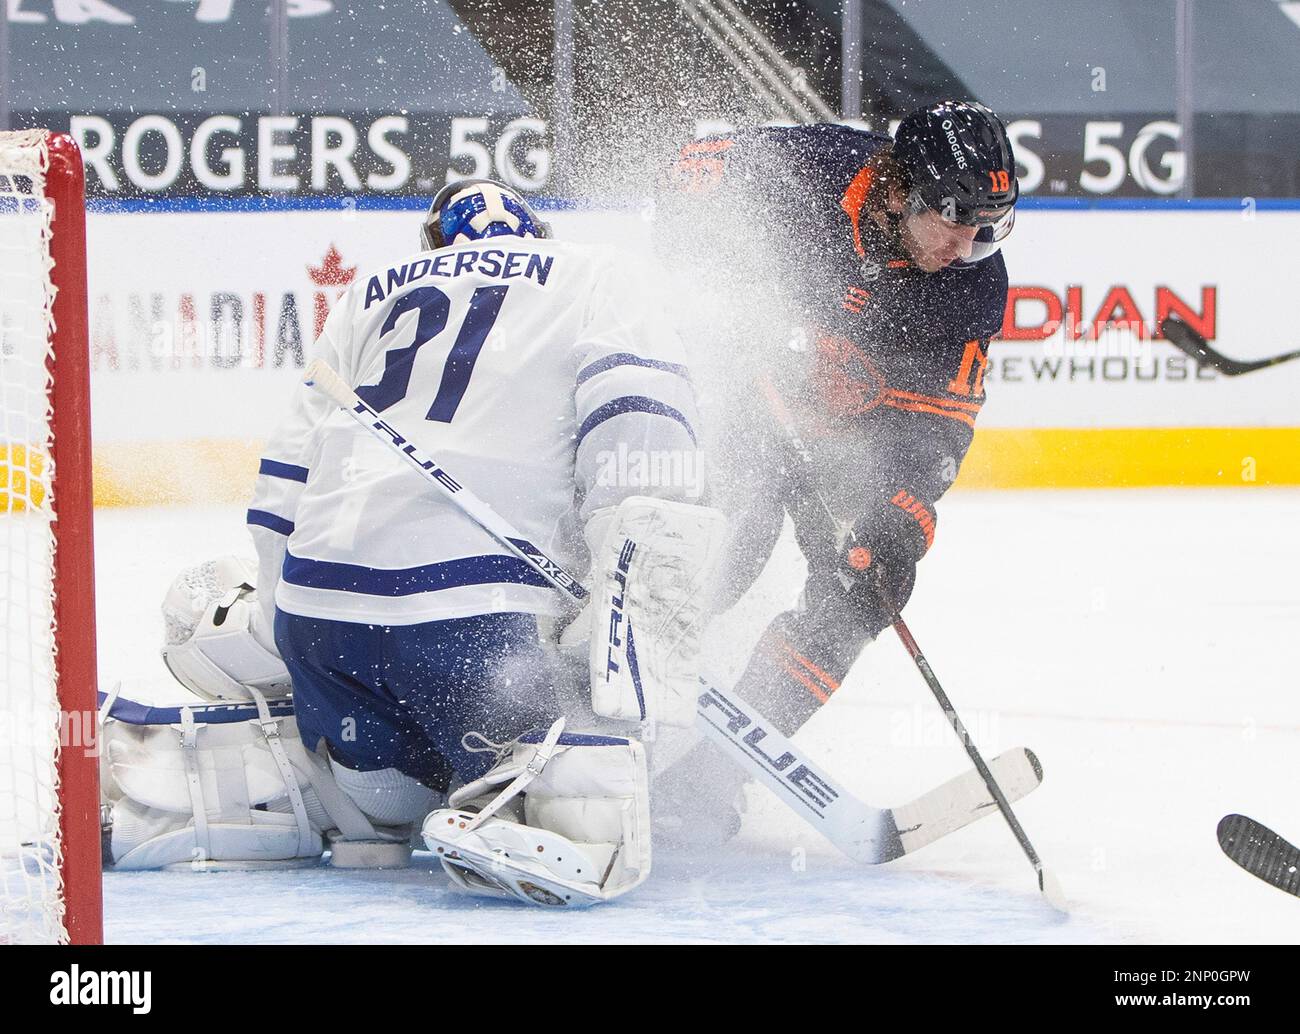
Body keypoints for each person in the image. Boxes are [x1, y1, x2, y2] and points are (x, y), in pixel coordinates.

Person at [103, 179, 722, 907]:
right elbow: (641, 428)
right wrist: (625, 612)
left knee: (385, 804)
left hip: (324, 627)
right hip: (478, 631)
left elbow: (281, 489)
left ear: (432, 246)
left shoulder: (371, 291)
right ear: (536, 235)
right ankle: (521, 798)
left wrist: (283, 630)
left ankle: (252, 796)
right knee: (618, 756)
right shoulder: (598, 272)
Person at [653, 101, 1017, 835]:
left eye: (985, 229)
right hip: (736, 398)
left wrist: (895, 526)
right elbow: (683, 180)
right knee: (737, 536)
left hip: (853, 435)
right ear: (898, 190)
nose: (965, 245)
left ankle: (713, 774)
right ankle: (591, 705)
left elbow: (939, 429)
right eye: (953, 221)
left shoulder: (972, 284)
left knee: (868, 588)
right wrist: (727, 296)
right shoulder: (805, 168)